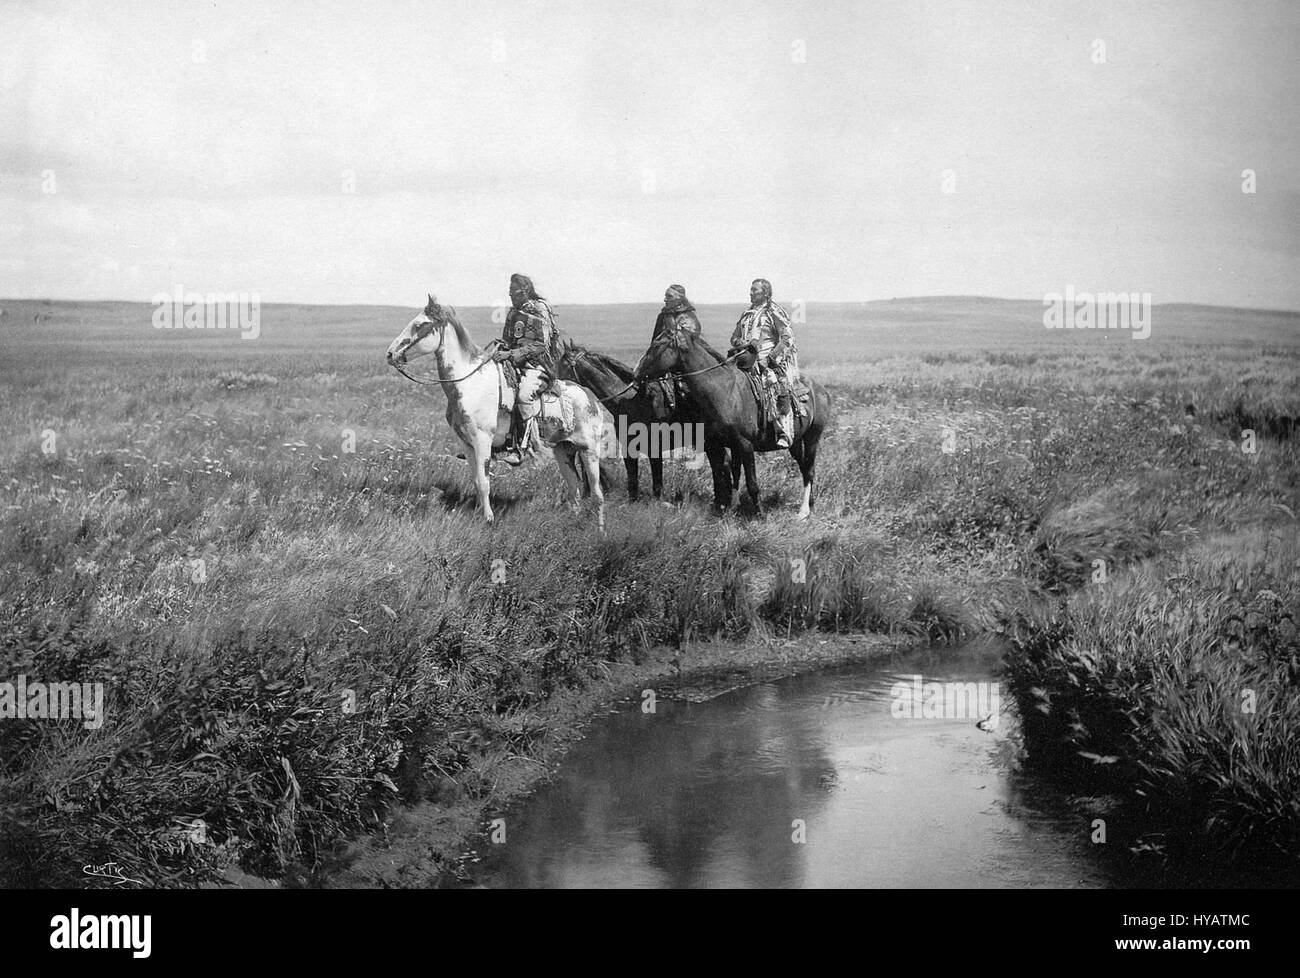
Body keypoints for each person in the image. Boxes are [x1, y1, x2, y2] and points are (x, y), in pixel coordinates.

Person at [491, 273, 559, 465]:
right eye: (510, 292)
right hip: (514, 362)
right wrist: (501, 348)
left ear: (526, 290)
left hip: (538, 365)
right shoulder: (513, 312)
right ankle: (497, 444)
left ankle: (524, 448)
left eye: (515, 292)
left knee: (524, 396)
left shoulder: (539, 309)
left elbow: (541, 344)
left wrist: (511, 354)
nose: (511, 295)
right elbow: (508, 339)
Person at [730, 278, 798, 447]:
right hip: (745, 356)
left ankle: (784, 431)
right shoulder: (747, 313)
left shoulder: (773, 311)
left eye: (755, 290)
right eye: (751, 290)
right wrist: (742, 344)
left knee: (773, 384)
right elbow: (734, 337)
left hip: (768, 358)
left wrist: (770, 358)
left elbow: (787, 337)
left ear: (766, 293)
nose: (751, 293)